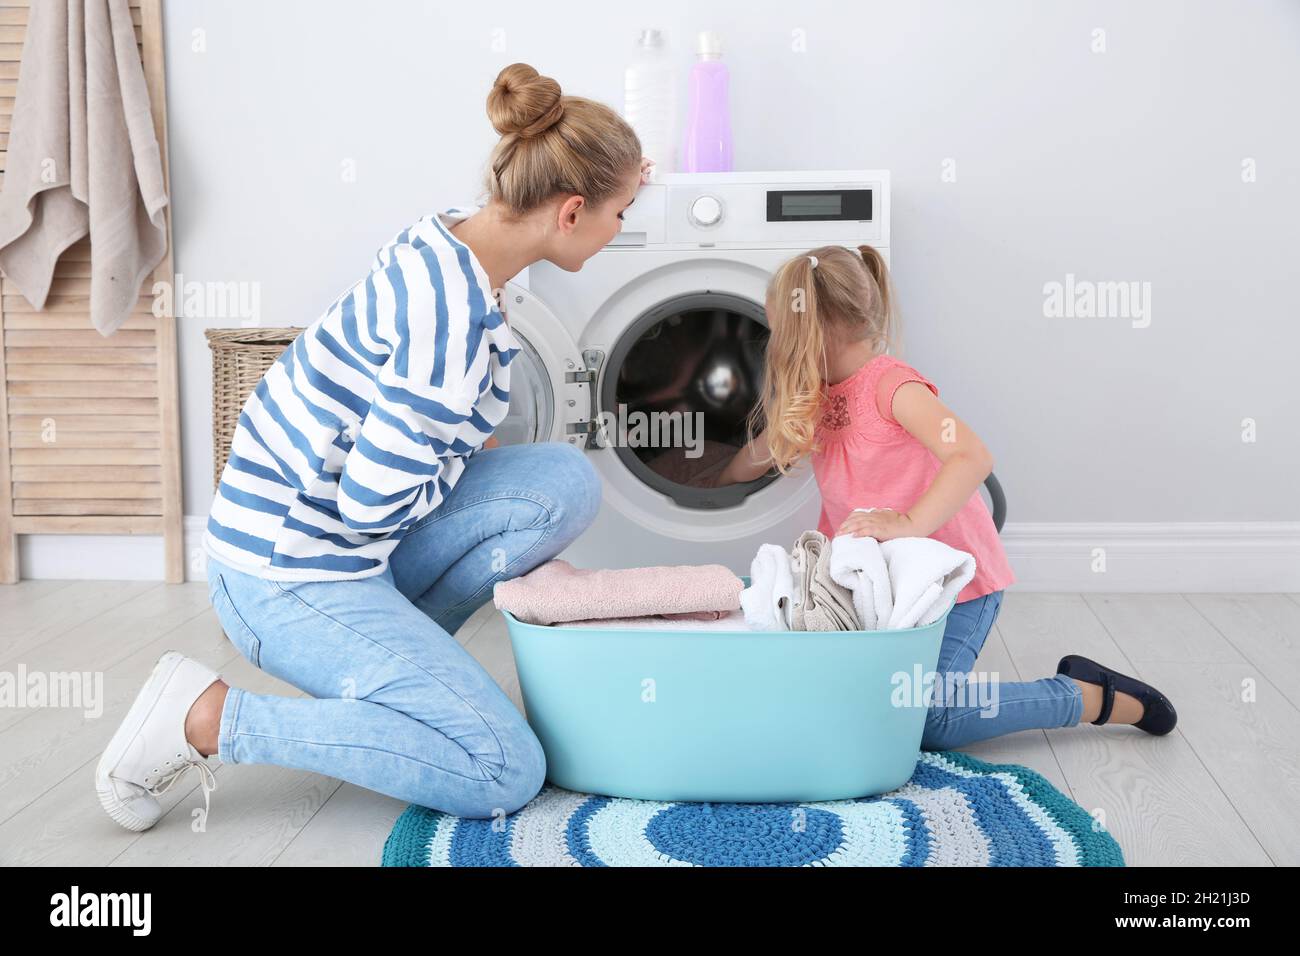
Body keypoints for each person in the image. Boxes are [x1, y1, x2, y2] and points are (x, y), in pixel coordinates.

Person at [96, 63, 648, 831]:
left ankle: (394, 673)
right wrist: (450, 452)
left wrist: (450, 441)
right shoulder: (447, 329)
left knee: (561, 481)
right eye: (621, 212)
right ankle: (211, 718)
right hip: (286, 578)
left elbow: (410, 436)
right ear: (571, 211)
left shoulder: (453, 237)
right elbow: (367, 503)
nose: (621, 230)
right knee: (505, 768)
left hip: (321, 543)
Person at [710, 244, 1177, 750]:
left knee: (930, 718)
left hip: (955, 587)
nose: (775, 341)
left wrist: (909, 522)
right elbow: (761, 453)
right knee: (836, 692)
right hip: (883, 590)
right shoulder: (818, 394)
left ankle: (1089, 697)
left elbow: (972, 457)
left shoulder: (892, 387)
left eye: (781, 329)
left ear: (813, 330)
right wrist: (707, 480)